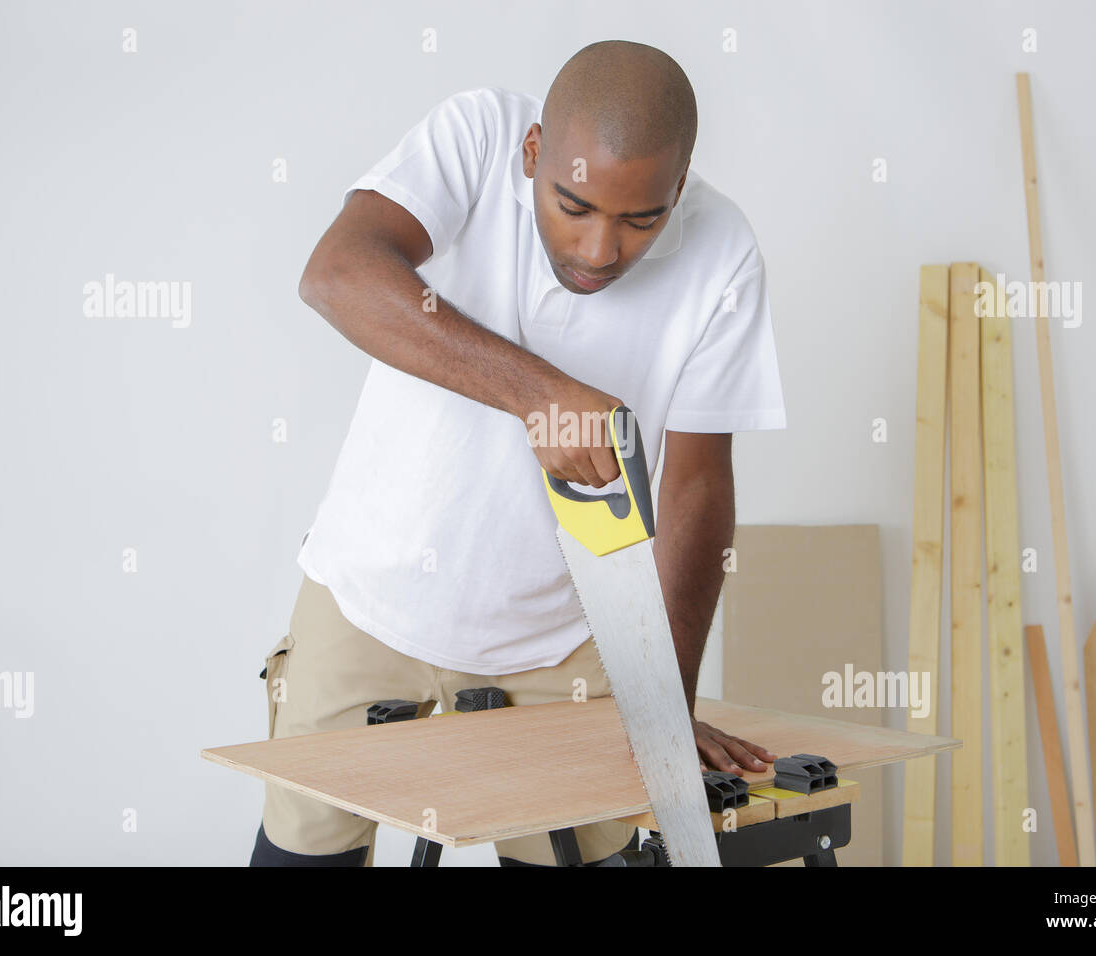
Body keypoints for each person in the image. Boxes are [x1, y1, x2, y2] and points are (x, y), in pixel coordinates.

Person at [250, 39, 787, 867]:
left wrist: (663, 708)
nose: (601, 250)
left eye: (641, 219)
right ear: (531, 154)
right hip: (368, 602)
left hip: (560, 641)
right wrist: (541, 394)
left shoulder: (724, 253)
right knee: (299, 860)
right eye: (573, 205)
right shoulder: (475, 133)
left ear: (678, 188)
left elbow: (695, 486)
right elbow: (338, 272)